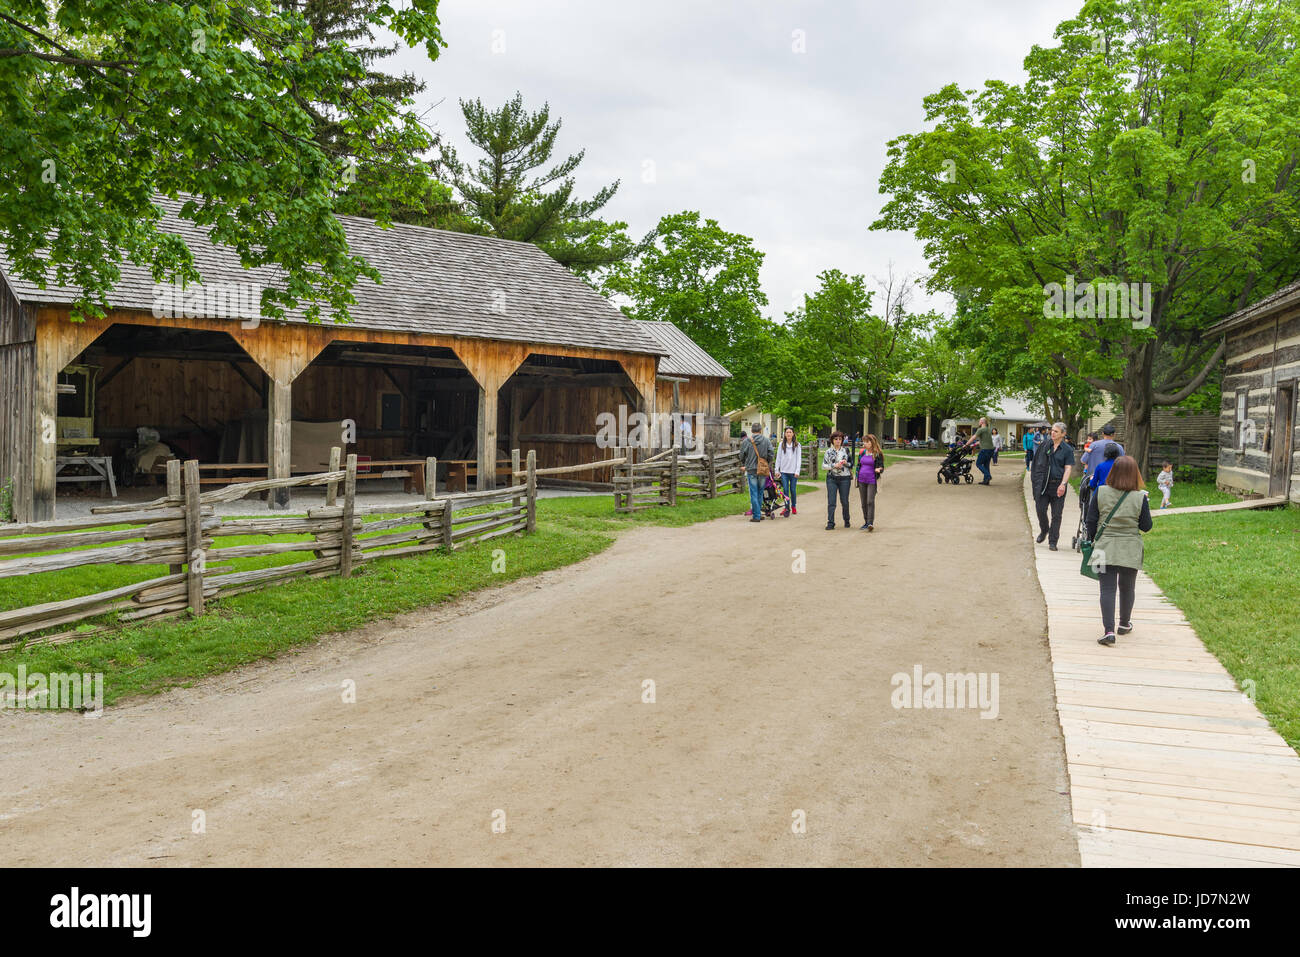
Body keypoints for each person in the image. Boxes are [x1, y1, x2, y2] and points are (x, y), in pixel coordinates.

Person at [1086, 455, 1153, 646]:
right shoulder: (1140, 497)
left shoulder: (1100, 492)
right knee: (1127, 587)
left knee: (1106, 589)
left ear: (1113, 472)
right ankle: (1124, 624)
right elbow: (1146, 526)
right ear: (1135, 474)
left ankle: (1108, 630)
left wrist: (1094, 540)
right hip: (1130, 547)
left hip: (1104, 546)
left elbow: (1090, 522)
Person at [1030, 421, 1075, 550]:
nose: (1052, 433)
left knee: (1057, 515)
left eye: (1056, 431)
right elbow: (1036, 464)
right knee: (1040, 509)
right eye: (1052, 430)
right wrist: (1035, 481)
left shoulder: (1067, 450)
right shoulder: (1045, 445)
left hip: (1058, 486)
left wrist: (1063, 484)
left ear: (1063, 434)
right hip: (1043, 485)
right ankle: (1044, 530)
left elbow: (1068, 469)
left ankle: (1053, 541)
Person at [739, 422, 772, 523]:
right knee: (760, 492)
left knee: (753, 492)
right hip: (762, 470)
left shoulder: (746, 441)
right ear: (761, 430)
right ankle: (758, 513)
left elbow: (741, 456)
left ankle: (757, 515)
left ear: (752, 430)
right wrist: (766, 462)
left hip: (751, 469)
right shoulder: (766, 440)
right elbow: (771, 453)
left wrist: (746, 463)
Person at [854, 433, 885, 531]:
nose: (865, 443)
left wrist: (879, 469)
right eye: (864, 442)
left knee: (870, 501)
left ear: (872, 442)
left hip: (872, 480)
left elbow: (881, 466)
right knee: (863, 502)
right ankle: (866, 522)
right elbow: (859, 464)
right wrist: (856, 475)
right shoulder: (862, 452)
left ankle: (870, 523)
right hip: (861, 479)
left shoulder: (877, 454)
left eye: (867, 442)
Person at [822, 430, 852, 530]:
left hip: (845, 478)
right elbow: (823, 465)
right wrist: (834, 465)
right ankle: (831, 522)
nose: (838, 441)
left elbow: (852, 464)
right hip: (832, 478)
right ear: (832, 440)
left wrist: (845, 463)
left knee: (844, 501)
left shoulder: (846, 451)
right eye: (836, 439)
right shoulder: (828, 452)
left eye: (840, 439)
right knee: (831, 501)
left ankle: (846, 519)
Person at [774, 426, 801, 517]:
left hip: (793, 472)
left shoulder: (797, 445)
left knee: (792, 490)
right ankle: (786, 507)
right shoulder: (781, 444)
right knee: (785, 490)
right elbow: (778, 458)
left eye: (790, 432)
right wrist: (777, 470)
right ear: (785, 434)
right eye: (787, 432)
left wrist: (797, 471)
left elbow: (798, 459)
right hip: (784, 472)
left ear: (793, 434)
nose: (788, 434)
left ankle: (793, 506)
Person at [965, 416, 995, 485]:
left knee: (978, 463)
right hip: (991, 450)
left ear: (982, 422)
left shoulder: (981, 429)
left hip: (985, 450)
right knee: (986, 465)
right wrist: (974, 444)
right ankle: (986, 481)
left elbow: (973, 437)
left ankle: (988, 476)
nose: (979, 422)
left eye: (979, 421)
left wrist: (966, 444)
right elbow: (984, 440)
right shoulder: (988, 429)